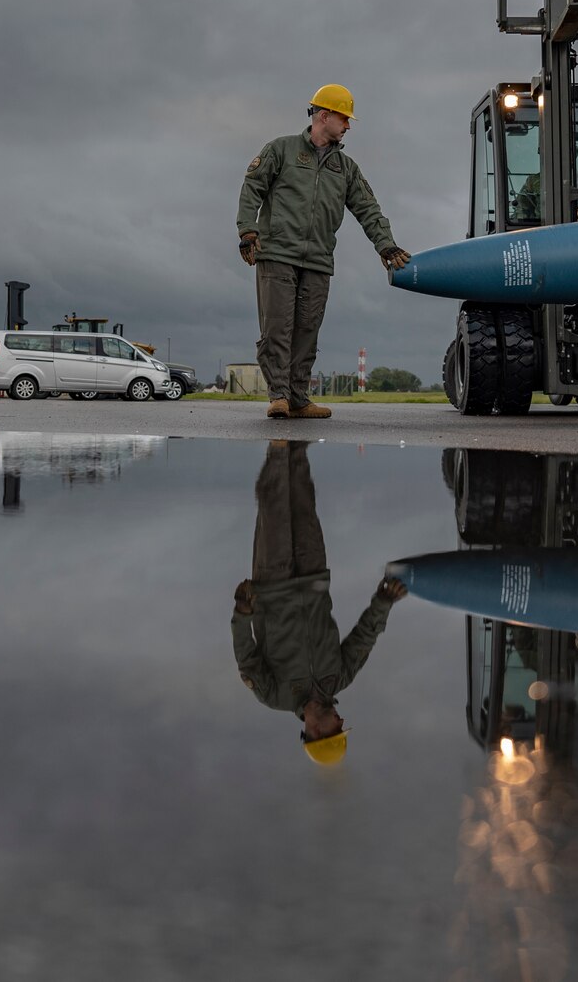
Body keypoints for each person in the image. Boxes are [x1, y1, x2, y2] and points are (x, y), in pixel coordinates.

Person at [236, 84, 411, 419]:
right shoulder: (281, 150)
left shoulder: (345, 168)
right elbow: (252, 188)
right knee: (277, 327)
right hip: (277, 255)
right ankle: (279, 396)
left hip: (318, 260)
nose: (348, 126)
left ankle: (299, 399)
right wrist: (248, 230)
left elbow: (368, 208)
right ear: (324, 115)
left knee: (307, 329)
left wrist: (385, 243)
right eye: (344, 118)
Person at [230, 440, 407, 766]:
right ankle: (296, 448)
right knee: (303, 504)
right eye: (341, 728)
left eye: (335, 730)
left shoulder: (274, 696)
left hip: (272, 583)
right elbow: (365, 637)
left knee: (274, 508)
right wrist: (384, 600)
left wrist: (242, 614)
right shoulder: (339, 678)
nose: (341, 722)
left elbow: (247, 659)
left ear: (315, 732)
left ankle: (277, 450)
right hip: (313, 577)